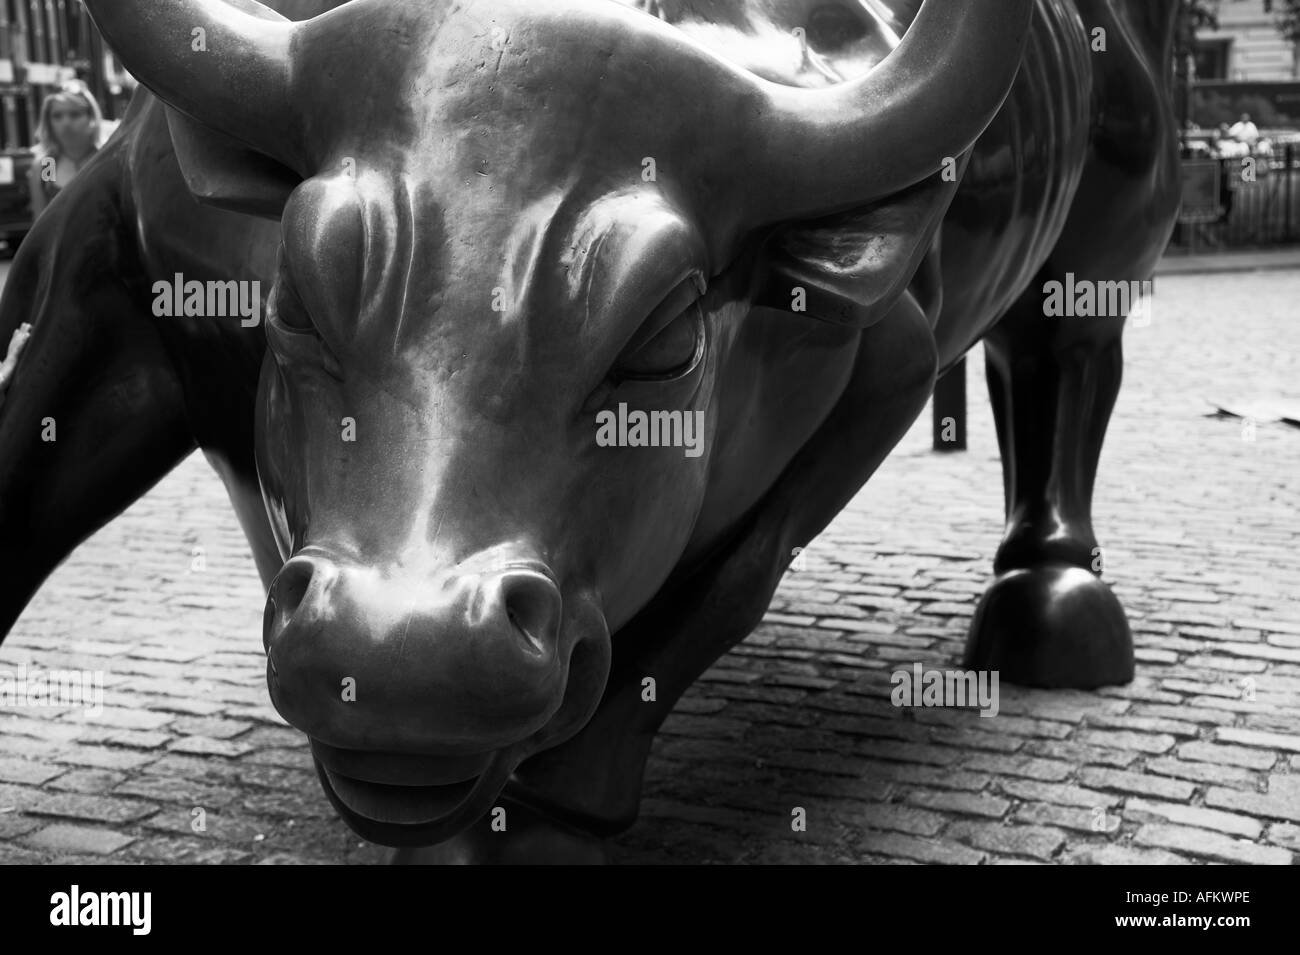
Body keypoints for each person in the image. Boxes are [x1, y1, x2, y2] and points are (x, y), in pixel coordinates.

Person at [26, 80, 109, 219]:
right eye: (57, 116)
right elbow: (41, 221)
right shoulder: (48, 163)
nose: (66, 123)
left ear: (92, 117)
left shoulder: (106, 159)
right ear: (48, 122)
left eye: (75, 114)